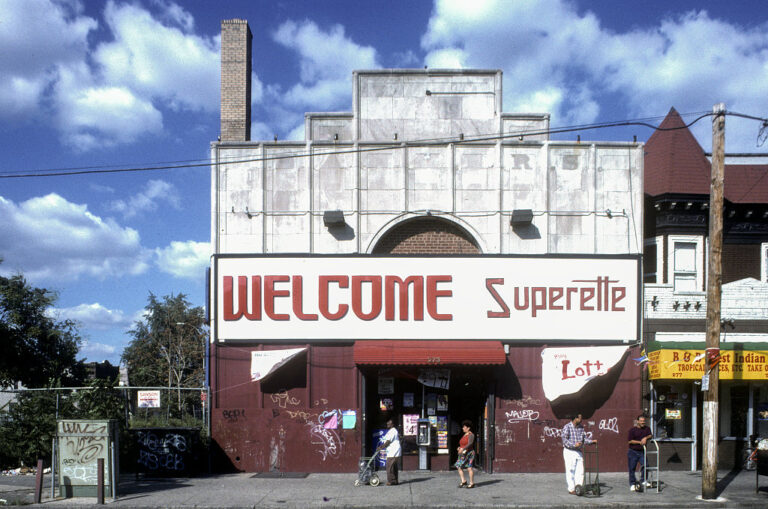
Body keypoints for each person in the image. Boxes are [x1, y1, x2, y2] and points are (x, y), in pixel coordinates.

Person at [561, 413, 596, 496]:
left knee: (580, 470)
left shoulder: (581, 427)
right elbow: (564, 440)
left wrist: (592, 441)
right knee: (570, 470)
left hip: (578, 451)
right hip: (569, 451)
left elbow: (584, 439)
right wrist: (573, 444)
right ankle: (571, 489)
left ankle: (578, 487)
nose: (581, 419)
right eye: (580, 418)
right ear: (575, 418)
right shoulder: (567, 427)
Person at [627, 414, 653, 492]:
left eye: (644, 421)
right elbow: (630, 441)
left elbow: (650, 435)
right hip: (633, 452)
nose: (642, 423)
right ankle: (632, 484)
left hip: (642, 452)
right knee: (632, 468)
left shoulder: (647, 429)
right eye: (641, 421)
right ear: (637, 421)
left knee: (645, 465)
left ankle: (643, 480)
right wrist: (640, 442)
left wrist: (645, 438)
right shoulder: (632, 430)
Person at [378, 418, 401, 485]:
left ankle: (391, 481)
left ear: (392, 424)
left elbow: (388, 441)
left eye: (389, 423)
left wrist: (381, 447)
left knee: (389, 466)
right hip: (393, 451)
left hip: (393, 451)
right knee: (393, 466)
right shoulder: (391, 431)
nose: (387, 423)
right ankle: (395, 480)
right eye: (387, 422)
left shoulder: (392, 431)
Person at [455, 420, 476, 489]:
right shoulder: (464, 435)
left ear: (468, 428)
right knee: (459, 466)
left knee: (469, 468)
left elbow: (470, 443)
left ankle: (471, 483)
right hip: (463, 453)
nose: (463, 428)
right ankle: (463, 480)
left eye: (464, 427)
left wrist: (462, 449)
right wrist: (459, 447)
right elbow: (462, 444)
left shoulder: (471, 435)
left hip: (469, 453)